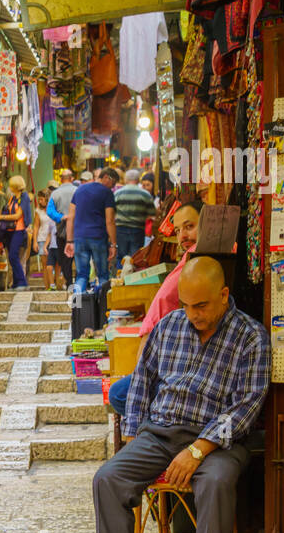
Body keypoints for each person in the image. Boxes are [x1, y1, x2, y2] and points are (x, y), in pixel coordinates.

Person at [80, 256, 269, 533]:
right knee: (108, 478)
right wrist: (134, 438)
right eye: (185, 305)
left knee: (214, 483)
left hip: (219, 442)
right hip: (160, 433)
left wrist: (199, 449)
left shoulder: (251, 336)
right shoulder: (168, 327)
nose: (192, 314)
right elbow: (141, 385)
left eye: (201, 306)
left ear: (223, 295)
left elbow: (247, 405)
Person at [108, 201, 201, 419]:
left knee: (120, 395)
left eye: (189, 227)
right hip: (160, 354)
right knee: (122, 394)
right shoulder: (190, 256)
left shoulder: (199, 259)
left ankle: (160, 430)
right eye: (178, 230)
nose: (182, 236)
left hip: (171, 358)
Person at [65, 169, 117, 294]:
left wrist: (69, 240)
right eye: (113, 183)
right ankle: (104, 308)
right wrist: (113, 244)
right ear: (106, 177)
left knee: (81, 275)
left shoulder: (79, 190)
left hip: (79, 238)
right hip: (98, 237)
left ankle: (77, 309)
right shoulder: (107, 193)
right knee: (103, 275)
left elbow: (71, 217)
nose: (113, 187)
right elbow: (110, 220)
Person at [0, 175, 32, 290]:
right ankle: (16, 283)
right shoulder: (13, 198)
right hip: (11, 231)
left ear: (15, 186)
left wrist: (1, 217)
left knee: (13, 256)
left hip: (19, 230)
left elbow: (18, 215)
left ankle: (22, 282)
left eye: (11, 185)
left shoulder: (24, 197)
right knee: (12, 257)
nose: (10, 187)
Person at [114, 168, 158, 263]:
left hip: (121, 229)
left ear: (126, 179)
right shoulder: (145, 194)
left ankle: (120, 276)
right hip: (138, 230)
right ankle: (132, 277)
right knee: (135, 257)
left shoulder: (118, 193)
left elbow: (112, 212)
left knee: (121, 256)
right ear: (138, 180)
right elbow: (152, 213)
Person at [47, 168, 77, 288]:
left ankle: (69, 283)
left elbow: (50, 211)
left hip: (61, 231)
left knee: (64, 260)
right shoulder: (78, 191)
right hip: (77, 230)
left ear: (60, 179)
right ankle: (80, 283)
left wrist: (61, 217)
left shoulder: (55, 194)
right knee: (78, 257)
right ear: (71, 179)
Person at [34, 191, 58, 289]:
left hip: (53, 239)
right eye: (38, 199)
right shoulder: (38, 211)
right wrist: (34, 241)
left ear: (47, 199)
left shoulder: (53, 209)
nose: (39, 201)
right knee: (45, 265)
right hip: (42, 238)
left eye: (41, 199)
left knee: (55, 264)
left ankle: (56, 284)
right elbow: (36, 226)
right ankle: (47, 286)